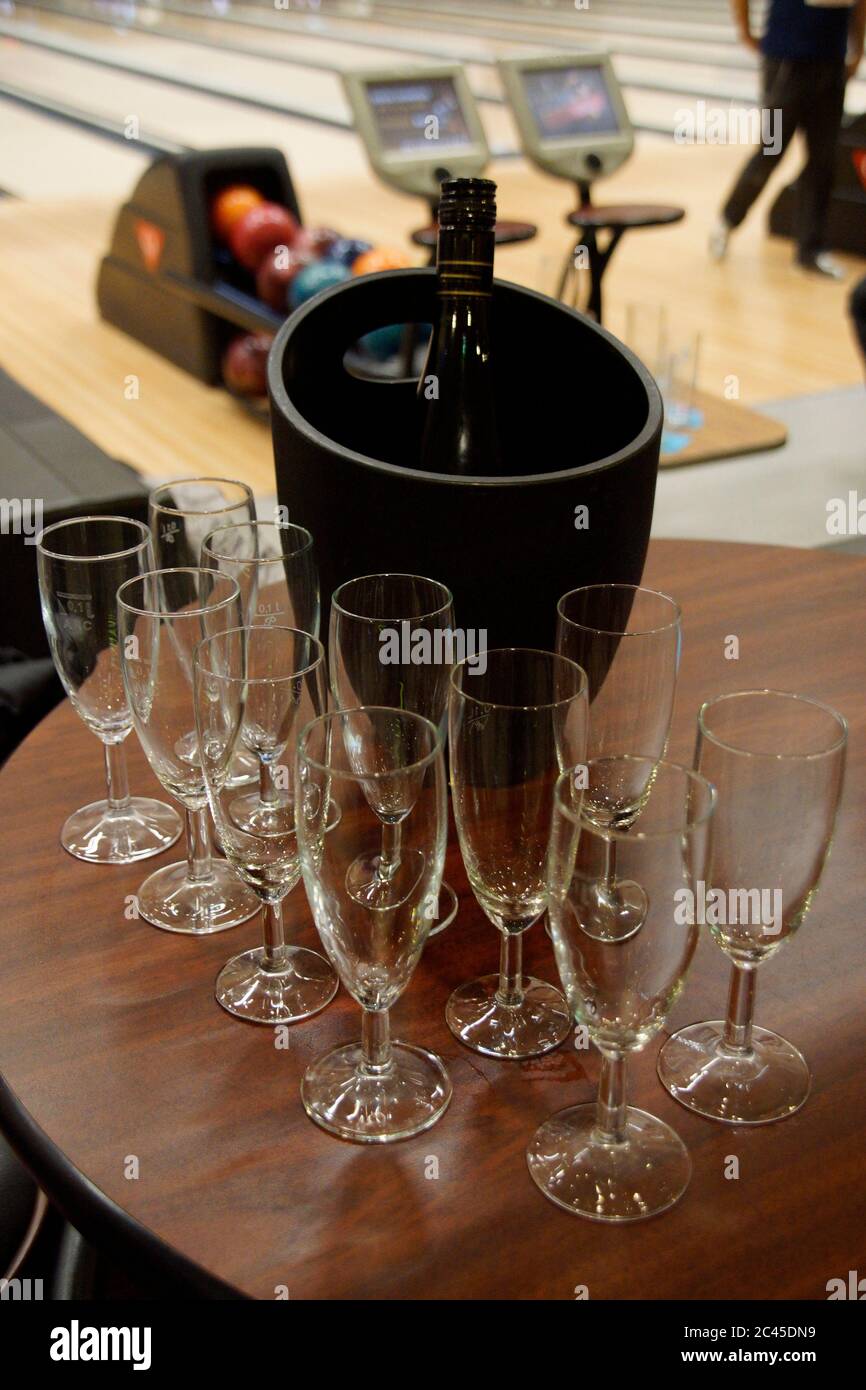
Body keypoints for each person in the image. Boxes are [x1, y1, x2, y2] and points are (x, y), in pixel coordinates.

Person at [710, 0, 866, 277]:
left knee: (824, 160)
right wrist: (744, 30)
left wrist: (858, 47)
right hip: (785, 60)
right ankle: (727, 219)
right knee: (771, 150)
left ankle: (811, 250)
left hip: (831, 60)